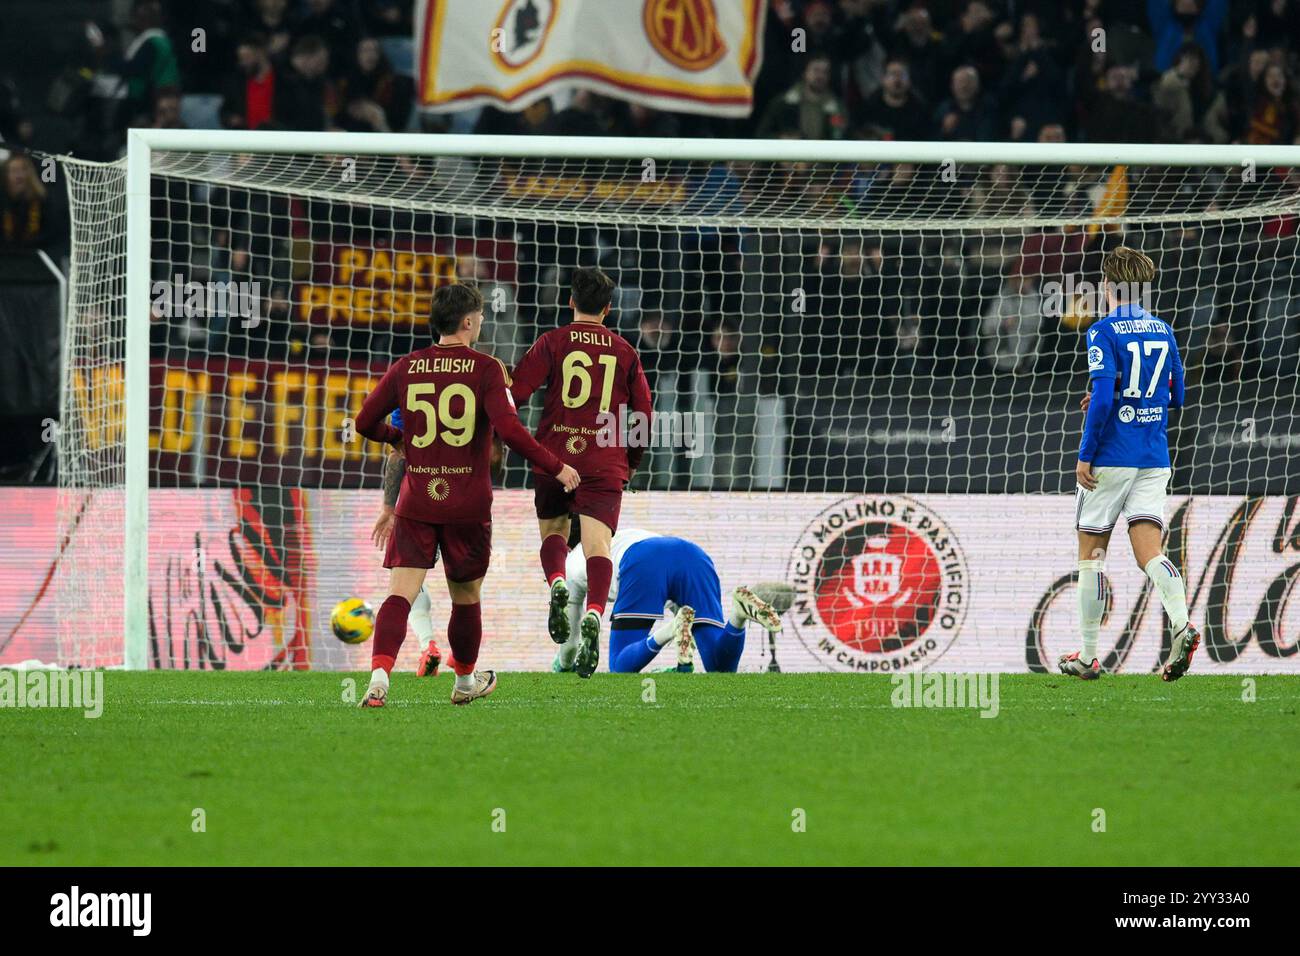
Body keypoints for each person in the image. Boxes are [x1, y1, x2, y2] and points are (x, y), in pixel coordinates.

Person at [354, 284, 579, 707]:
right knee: (466, 598)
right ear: (468, 321)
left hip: (418, 500)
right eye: (480, 317)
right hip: (467, 505)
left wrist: (398, 438)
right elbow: (510, 431)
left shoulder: (407, 367)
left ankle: (379, 677)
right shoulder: (487, 369)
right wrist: (556, 465)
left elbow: (365, 421)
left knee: (399, 594)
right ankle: (464, 682)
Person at [510, 267, 653, 678]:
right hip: (604, 459)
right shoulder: (625, 351)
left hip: (554, 454)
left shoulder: (551, 342)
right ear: (608, 309)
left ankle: (556, 580)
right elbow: (643, 414)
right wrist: (633, 460)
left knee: (554, 532)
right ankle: (593, 611)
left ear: (570, 301)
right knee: (598, 548)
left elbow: (516, 393)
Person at [1064, 246, 1198, 682]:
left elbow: (1103, 398)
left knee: (1092, 557)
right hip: (1154, 456)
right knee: (1151, 553)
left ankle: (1087, 657)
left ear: (1108, 286)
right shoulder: (1163, 329)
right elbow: (1176, 396)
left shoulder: (1102, 332)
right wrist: (1132, 399)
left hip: (1112, 457)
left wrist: (1086, 454)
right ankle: (1182, 624)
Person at [554, 527, 790, 674]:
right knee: (720, 668)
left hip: (642, 561)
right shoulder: (622, 534)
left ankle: (668, 630)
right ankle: (738, 615)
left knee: (619, 664)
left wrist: (562, 666)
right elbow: (670, 584)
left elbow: (571, 644)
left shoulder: (571, 563)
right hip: (691, 554)